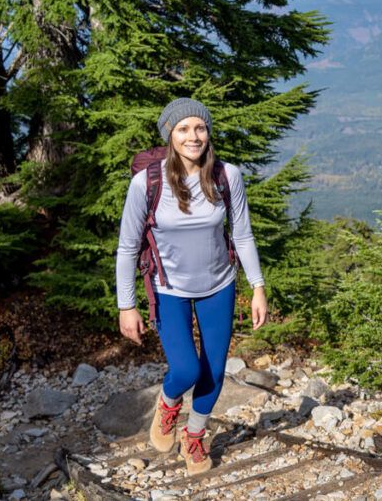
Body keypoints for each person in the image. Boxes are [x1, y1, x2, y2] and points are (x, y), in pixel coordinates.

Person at [115, 97, 268, 475]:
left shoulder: (226, 176)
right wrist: (127, 305)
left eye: (199, 127)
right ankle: (167, 406)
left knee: (214, 372)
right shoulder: (146, 183)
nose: (193, 136)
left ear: (208, 132)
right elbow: (127, 246)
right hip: (168, 289)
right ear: (170, 134)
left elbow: (243, 236)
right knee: (184, 370)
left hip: (219, 285)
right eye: (183, 128)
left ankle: (194, 436)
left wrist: (258, 286)